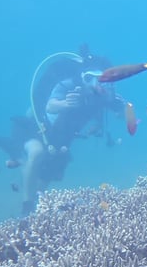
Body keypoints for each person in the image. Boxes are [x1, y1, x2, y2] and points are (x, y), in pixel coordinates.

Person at [18, 51, 124, 214]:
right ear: (84, 76)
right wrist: (65, 104)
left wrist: (124, 110)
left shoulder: (103, 94)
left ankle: (37, 208)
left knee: (50, 173)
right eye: (90, 77)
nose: (95, 83)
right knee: (36, 153)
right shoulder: (70, 84)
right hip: (37, 126)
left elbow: (121, 108)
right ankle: (27, 204)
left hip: (62, 136)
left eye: (101, 78)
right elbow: (49, 106)